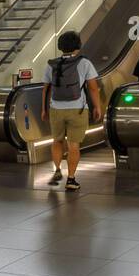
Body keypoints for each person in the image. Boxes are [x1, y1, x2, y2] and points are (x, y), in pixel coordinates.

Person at [41, 30, 102, 192]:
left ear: (60, 46)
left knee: (57, 141)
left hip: (56, 108)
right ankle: (71, 179)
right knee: (73, 145)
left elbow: (45, 89)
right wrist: (97, 107)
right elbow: (93, 88)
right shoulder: (84, 63)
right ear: (78, 45)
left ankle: (57, 171)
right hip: (78, 109)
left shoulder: (51, 64)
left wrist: (44, 109)